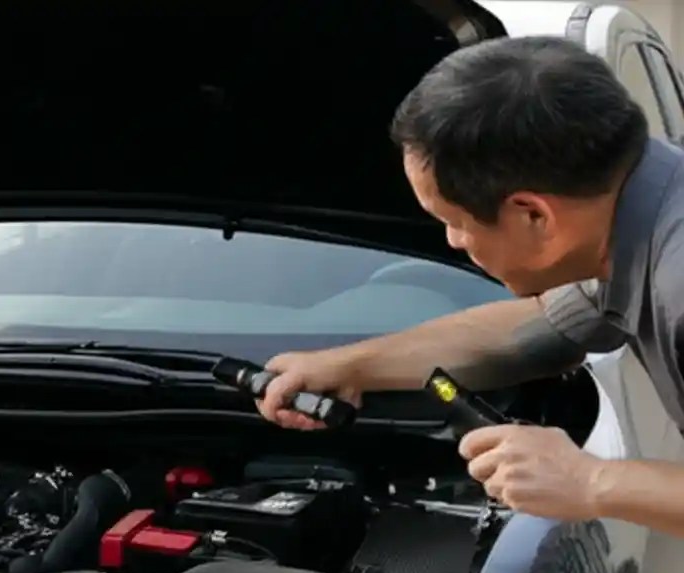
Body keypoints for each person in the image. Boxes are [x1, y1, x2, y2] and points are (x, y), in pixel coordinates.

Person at [256, 36, 684, 536]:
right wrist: (349, 365)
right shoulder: (634, 202)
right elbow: (542, 326)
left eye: (454, 221)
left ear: (533, 215)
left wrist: (592, 481)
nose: (452, 241)